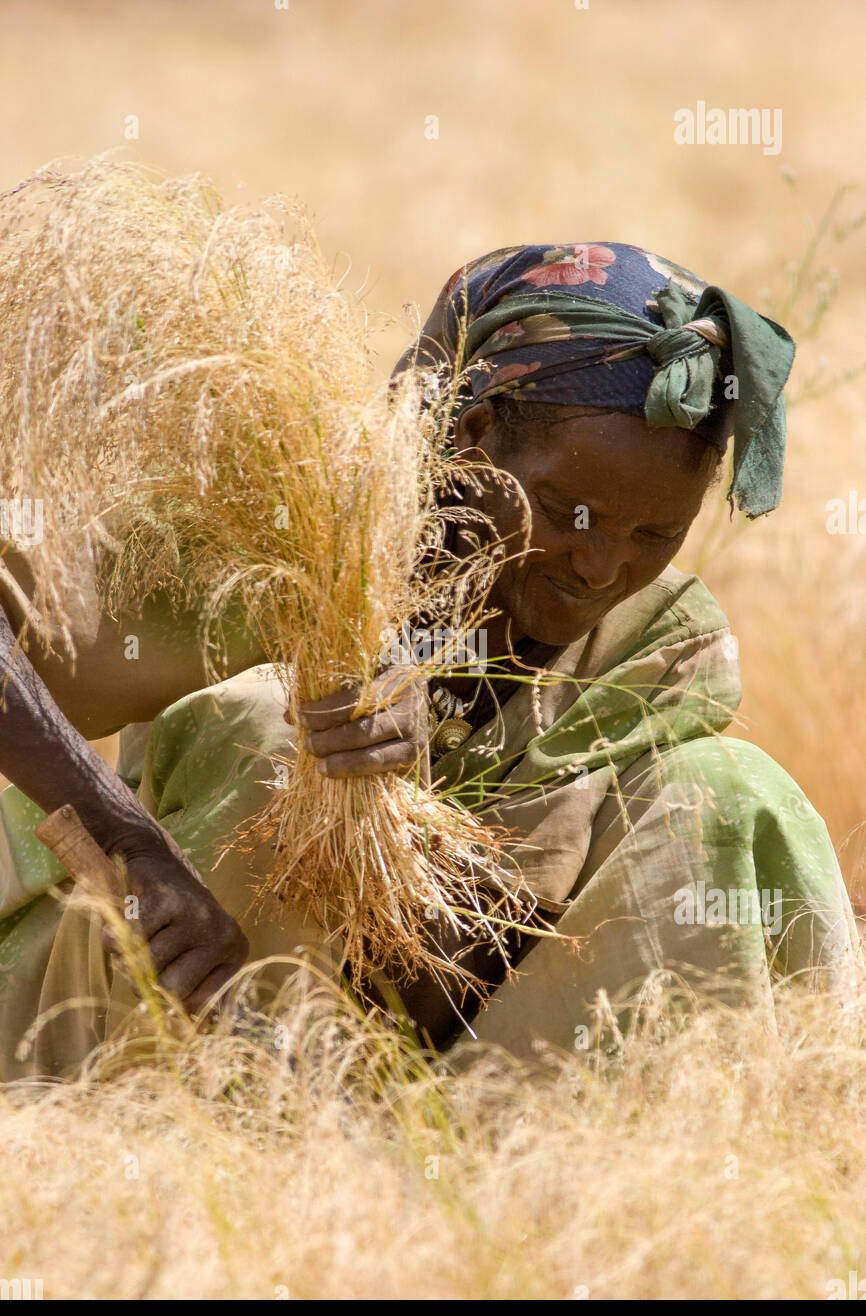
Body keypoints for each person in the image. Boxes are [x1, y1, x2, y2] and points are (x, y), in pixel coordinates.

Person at [0, 241, 857, 1077]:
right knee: (274, 726)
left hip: (442, 1063)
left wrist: (405, 826)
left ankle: (701, 1144)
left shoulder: (656, 642)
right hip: (139, 1002)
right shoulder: (284, 522)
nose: (602, 567)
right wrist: (131, 844)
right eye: (568, 510)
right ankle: (209, 1138)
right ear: (474, 435)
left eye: (655, 534)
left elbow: (469, 968)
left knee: (735, 794)